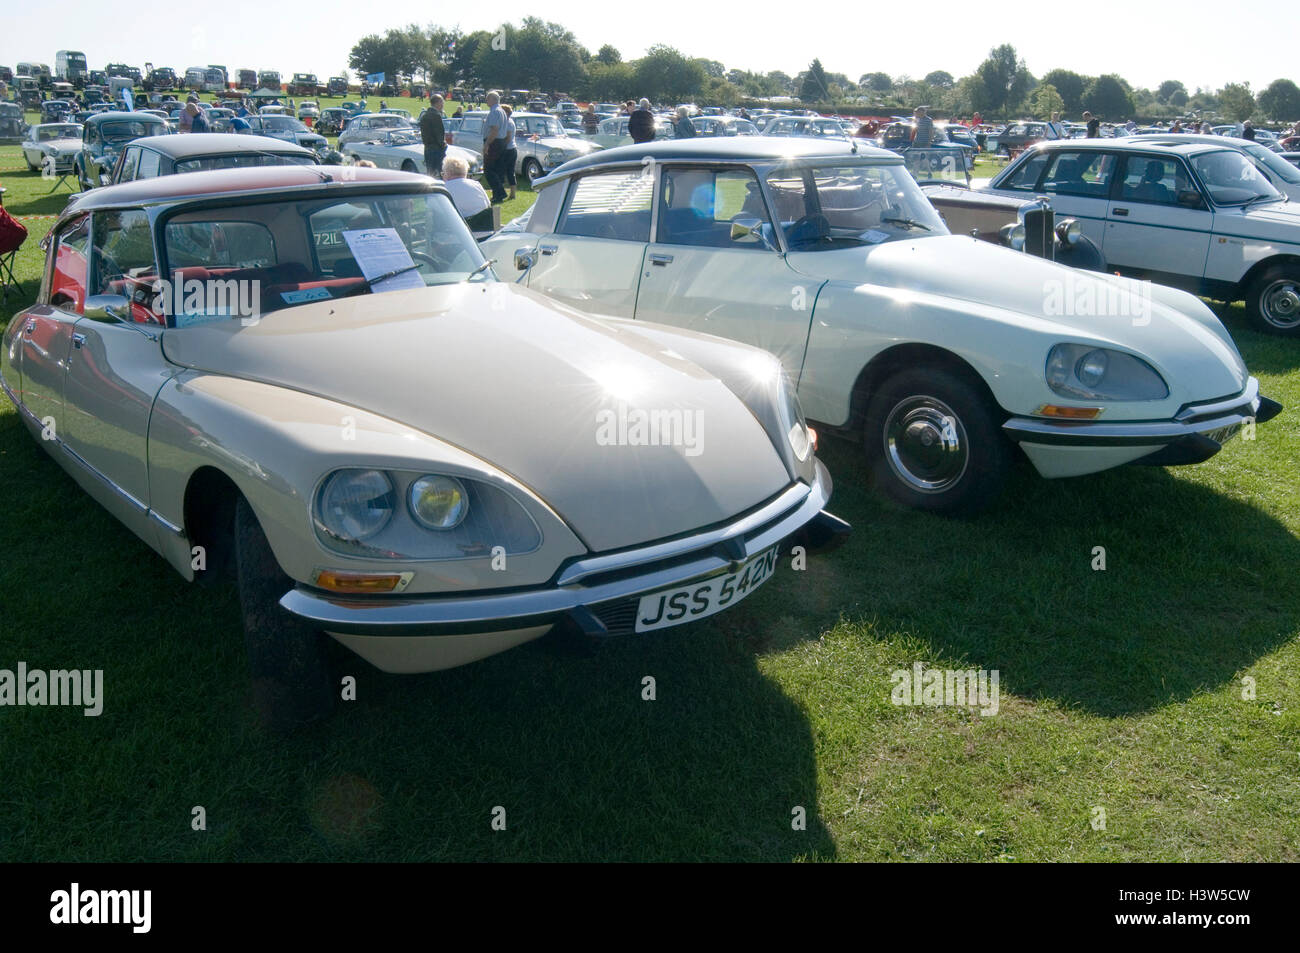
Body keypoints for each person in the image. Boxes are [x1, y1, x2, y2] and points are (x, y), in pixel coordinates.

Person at [481, 90, 508, 204]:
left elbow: (494, 130)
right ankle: (497, 195)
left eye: (488, 98)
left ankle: (500, 192)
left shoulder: (494, 112)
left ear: (493, 99)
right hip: (501, 141)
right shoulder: (501, 111)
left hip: (494, 142)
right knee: (497, 169)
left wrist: (487, 144)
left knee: (488, 169)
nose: (486, 100)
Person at [420, 94, 447, 179]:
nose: (443, 104)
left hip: (427, 148)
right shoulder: (436, 116)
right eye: (442, 102)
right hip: (436, 149)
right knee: (440, 173)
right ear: (437, 103)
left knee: (430, 174)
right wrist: (443, 145)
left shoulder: (425, 115)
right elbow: (439, 134)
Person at [501, 104, 519, 200]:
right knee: (509, 172)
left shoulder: (508, 123)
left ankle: (511, 193)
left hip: (508, 149)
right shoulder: (509, 121)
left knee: (506, 172)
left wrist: (500, 147)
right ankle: (510, 193)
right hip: (512, 149)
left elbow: (507, 138)